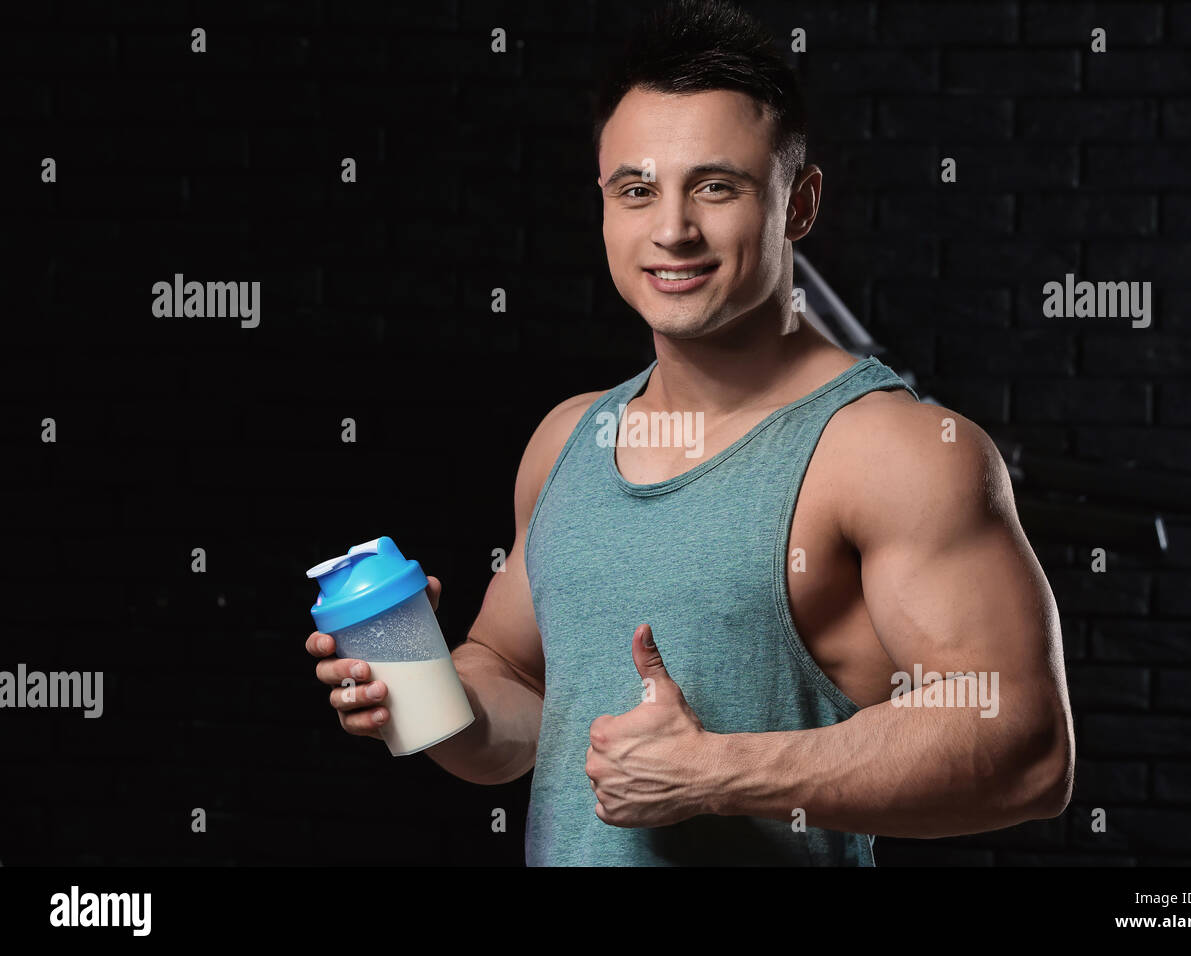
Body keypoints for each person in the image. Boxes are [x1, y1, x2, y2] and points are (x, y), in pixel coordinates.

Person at [307, 0, 1073, 865]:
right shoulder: (568, 439)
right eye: (636, 191)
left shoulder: (894, 452)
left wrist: (718, 774)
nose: (671, 229)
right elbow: (522, 700)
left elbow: (1027, 750)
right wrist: (423, 695)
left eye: (716, 186)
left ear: (801, 203)